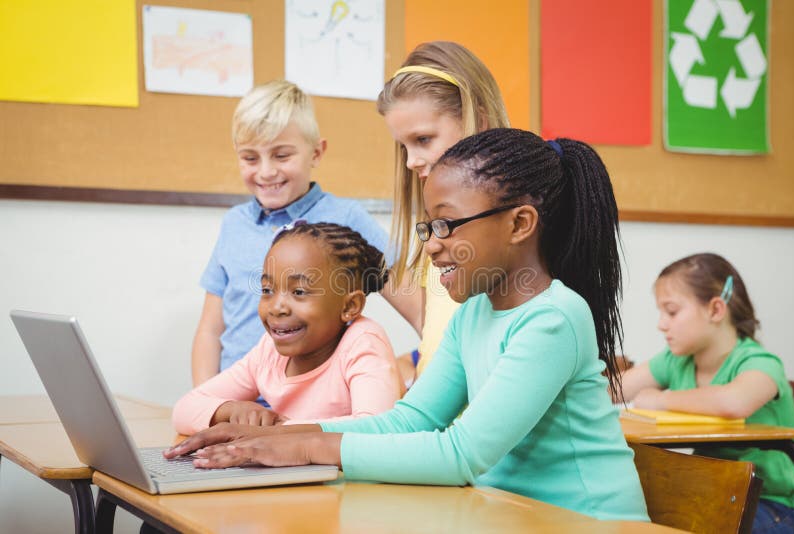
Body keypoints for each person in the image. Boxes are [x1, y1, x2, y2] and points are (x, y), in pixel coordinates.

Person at [166, 128, 647, 521]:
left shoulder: (553, 318)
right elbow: (411, 420)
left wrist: (307, 447)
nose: (432, 245)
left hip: (585, 522)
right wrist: (274, 438)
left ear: (520, 224)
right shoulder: (474, 313)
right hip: (509, 515)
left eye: (446, 224)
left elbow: (461, 453)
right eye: (428, 227)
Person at [192, 80, 395, 386]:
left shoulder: (348, 217)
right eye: (250, 158)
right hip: (239, 397)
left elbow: (416, 302)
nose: (265, 172)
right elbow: (209, 329)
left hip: (317, 399)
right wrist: (206, 399)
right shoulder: (234, 224)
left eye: (282, 156)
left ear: (316, 153)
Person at [619, 253, 794, 533]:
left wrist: (660, 400)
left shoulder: (761, 363)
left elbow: (733, 402)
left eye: (672, 311)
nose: (661, 324)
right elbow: (615, 389)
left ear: (715, 310)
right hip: (706, 497)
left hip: (771, 504)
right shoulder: (676, 360)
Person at [174, 222, 403, 434]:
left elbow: (377, 428)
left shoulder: (363, 343)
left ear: (350, 305)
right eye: (267, 290)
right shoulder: (268, 352)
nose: (277, 307)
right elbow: (184, 409)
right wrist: (231, 410)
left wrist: (277, 430)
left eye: (299, 292)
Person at [378, 41, 512, 382]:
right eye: (404, 146)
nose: (410, 161)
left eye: (423, 140)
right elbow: (441, 332)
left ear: (477, 121)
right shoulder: (436, 231)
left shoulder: (513, 234)